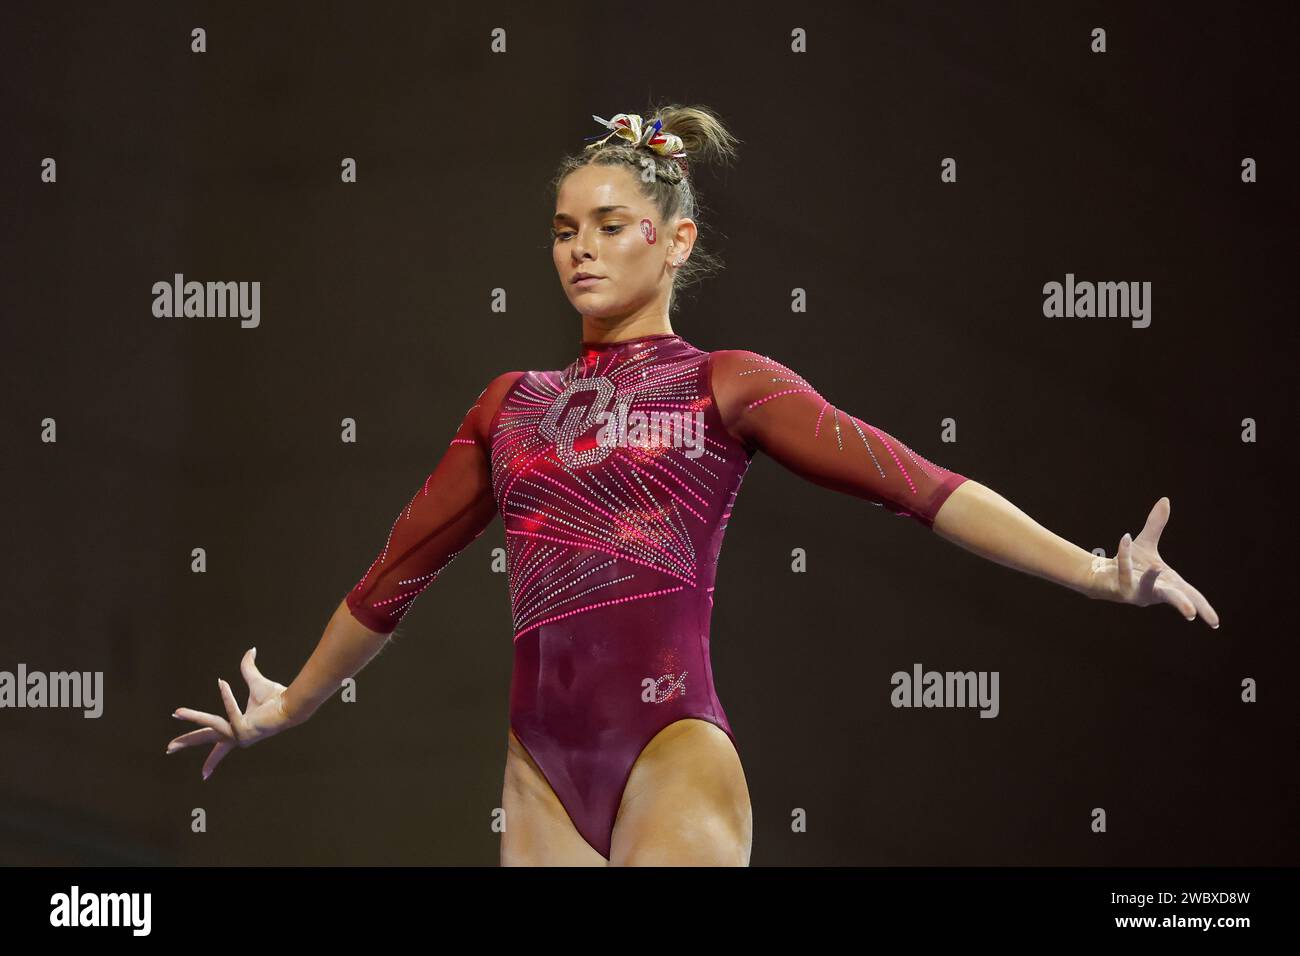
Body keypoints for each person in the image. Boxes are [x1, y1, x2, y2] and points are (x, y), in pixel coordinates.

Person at [166, 104, 1220, 866]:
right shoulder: (510, 403)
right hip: (537, 766)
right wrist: (290, 705)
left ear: (675, 242)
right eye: (564, 229)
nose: (579, 248)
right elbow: (396, 573)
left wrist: (1090, 571)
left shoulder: (727, 386)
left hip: (670, 746)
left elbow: (918, 481)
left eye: (609, 225)